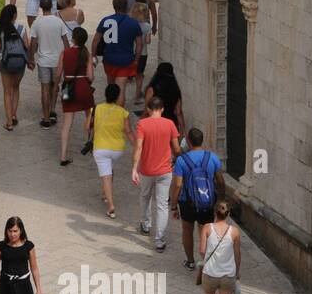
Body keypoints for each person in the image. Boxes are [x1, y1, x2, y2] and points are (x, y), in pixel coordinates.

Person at [132, 92, 181, 251]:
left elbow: (138, 147)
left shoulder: (142, 124)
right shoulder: (170, 124)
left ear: (148, 108)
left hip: (146, 170)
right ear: (162, 109)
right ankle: (159, 240)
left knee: (145, 196)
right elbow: (176, 148)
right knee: (161, 205)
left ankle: (146, 224)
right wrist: (178, 158)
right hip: (165, 171)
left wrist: (134, 168)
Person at [171, 127, 224, 269]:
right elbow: (220, 181)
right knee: (205, 231)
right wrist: (220, 200)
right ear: (202, 140)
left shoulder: (181, 160)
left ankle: (190, 261)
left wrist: (173, 205)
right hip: (207, 200)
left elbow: (177, 185)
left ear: (188, 141)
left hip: (186, 202)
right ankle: (207, 262)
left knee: (187, 230)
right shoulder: (212, 157)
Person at [199, 200, 241, 294]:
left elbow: (202, 251)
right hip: (227, 275)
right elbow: (237, 255)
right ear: (228, 214)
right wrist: (237, 273)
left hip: (210, 273)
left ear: (214, 213)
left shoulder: (207, 228)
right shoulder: (234, 232)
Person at [91, 83, 135, 218]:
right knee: (109, 171)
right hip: (117, 149)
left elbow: (87, 126)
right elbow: (128, 131)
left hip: (100, 147)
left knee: (106, 175)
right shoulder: (123, 112)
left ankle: (110, 205)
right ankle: (105, 193)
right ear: (117, 96)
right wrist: (137, 146)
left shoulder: (96, 108)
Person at [92, 0, 143, 111]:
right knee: (121, 88)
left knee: (111, 86)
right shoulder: (133, 23)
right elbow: (140, 44)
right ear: (126, 7)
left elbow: (96, 40)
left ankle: (109, 110)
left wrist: (93, 55)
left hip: (109, 58)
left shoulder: (105, 21)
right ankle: (119, 114)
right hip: (126, 60)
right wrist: (136, 59)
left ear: (114, 6)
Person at [56, 25, 94, 166]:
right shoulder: (87, 54)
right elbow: (91, 76)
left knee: (67, 124)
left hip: (69, 88)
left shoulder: (64, 53)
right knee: (89, 116)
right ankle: (90, 142)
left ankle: (63, 155)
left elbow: (58, 74)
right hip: (83, 86)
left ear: (73, 39)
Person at [30, 0, 70, 127]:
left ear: (41, 7)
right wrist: (69, 57)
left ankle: (46, 118)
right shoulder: (58, 21)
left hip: (43, 61)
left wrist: (31, 58)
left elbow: (33, 43)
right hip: (57, 61)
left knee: (45, 89)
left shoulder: (37, 23)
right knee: (55, 86)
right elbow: (65, 41)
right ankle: (52, 110)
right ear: (51, 6)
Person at [0, 3, 31, 130]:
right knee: (16, 88)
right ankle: (14, 115)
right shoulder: (22, 28)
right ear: (14, 15)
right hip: (20, 63)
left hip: (6, 63)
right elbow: (27, 46)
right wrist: (30, 61)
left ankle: (8, 122)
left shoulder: (0, 29)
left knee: (7, 92)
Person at [144, 62, 184, 136]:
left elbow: (147, 109)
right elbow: (178, 113)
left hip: (155, 124)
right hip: (171, 123)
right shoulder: (175, 90)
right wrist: (182, 131)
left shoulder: (152, 89)